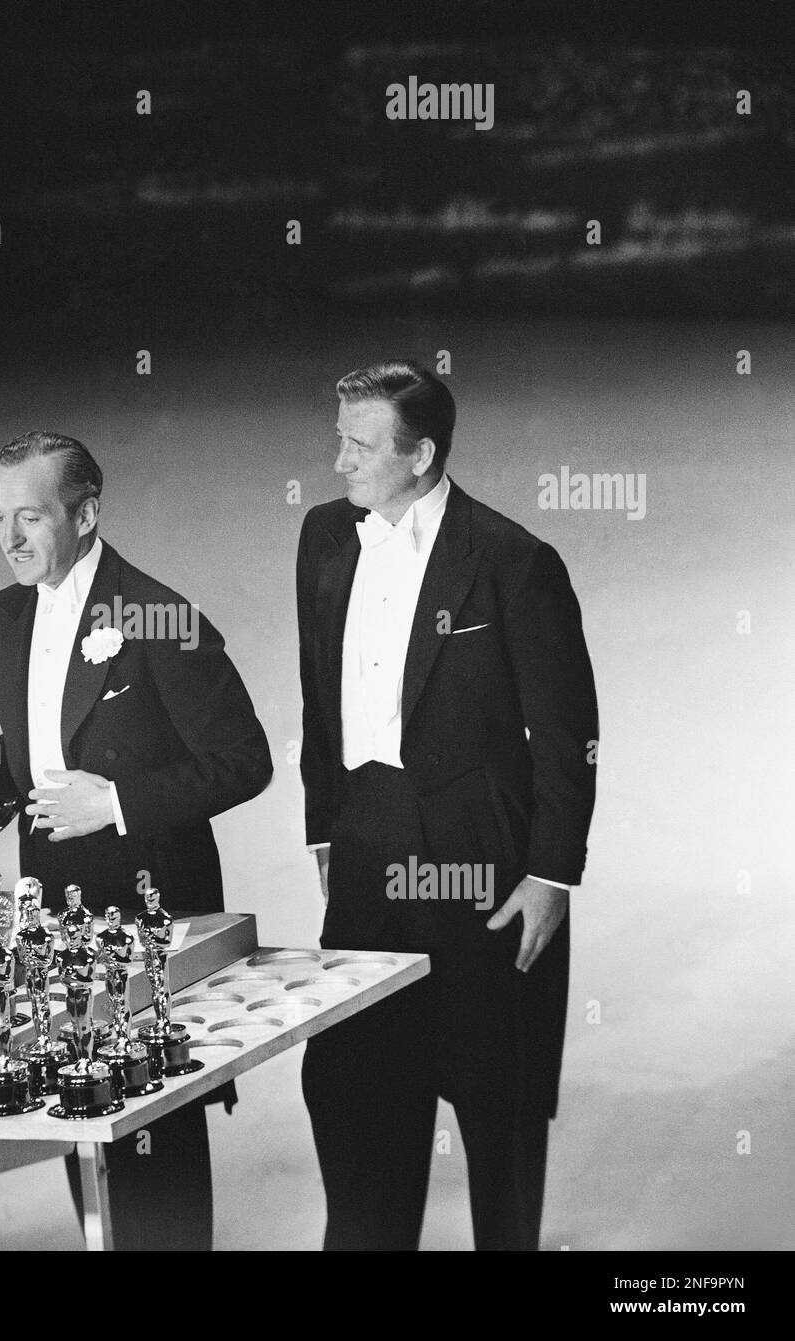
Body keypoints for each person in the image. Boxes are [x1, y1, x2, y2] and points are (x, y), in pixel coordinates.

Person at [0, 429, 272, 1251]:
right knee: (75, 1109)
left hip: (151, 914)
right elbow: (42, 745)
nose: (9, 538)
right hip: (54, 916)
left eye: (31, 517)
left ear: (86, 514)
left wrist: (117, 802)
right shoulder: (1, 616)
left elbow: (244, 762)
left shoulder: (160, 616)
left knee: (160, 1138)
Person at [296, 360, 598, 1251]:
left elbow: (569, 734)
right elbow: (318, 690)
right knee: (354, 1098)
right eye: (339, 437)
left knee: (498, 1123)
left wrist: (551, 872)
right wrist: (324, 821)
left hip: (486, 867)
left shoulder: (514, 562)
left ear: (421, 453)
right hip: (364, 848)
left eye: (359, 442)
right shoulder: (322, 537)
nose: (339, 458)